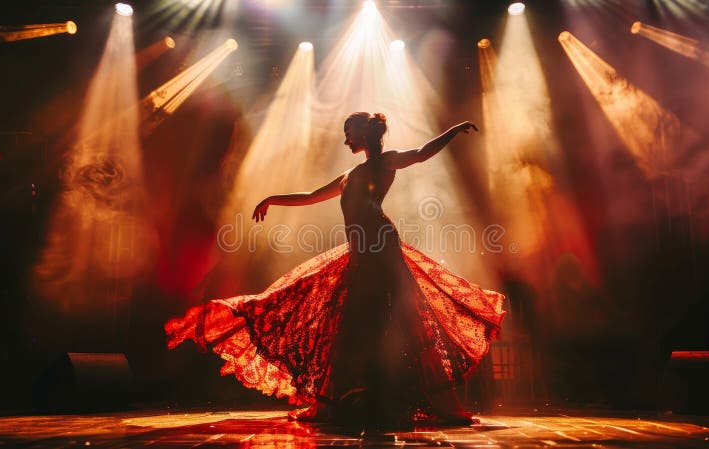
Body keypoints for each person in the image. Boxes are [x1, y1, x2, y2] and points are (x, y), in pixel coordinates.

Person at [165, 112, 505, 428]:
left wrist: (453, 131)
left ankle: (429, 402)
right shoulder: (348, 176)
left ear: (365, 133)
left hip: (380, 247)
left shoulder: (385, 161)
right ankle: (333, 403)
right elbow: (312, 195)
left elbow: (421, 153)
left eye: (349, 133)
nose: (346, 140)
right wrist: (273, 199)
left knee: (402, 320)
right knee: (345, 325)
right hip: (360, 252)